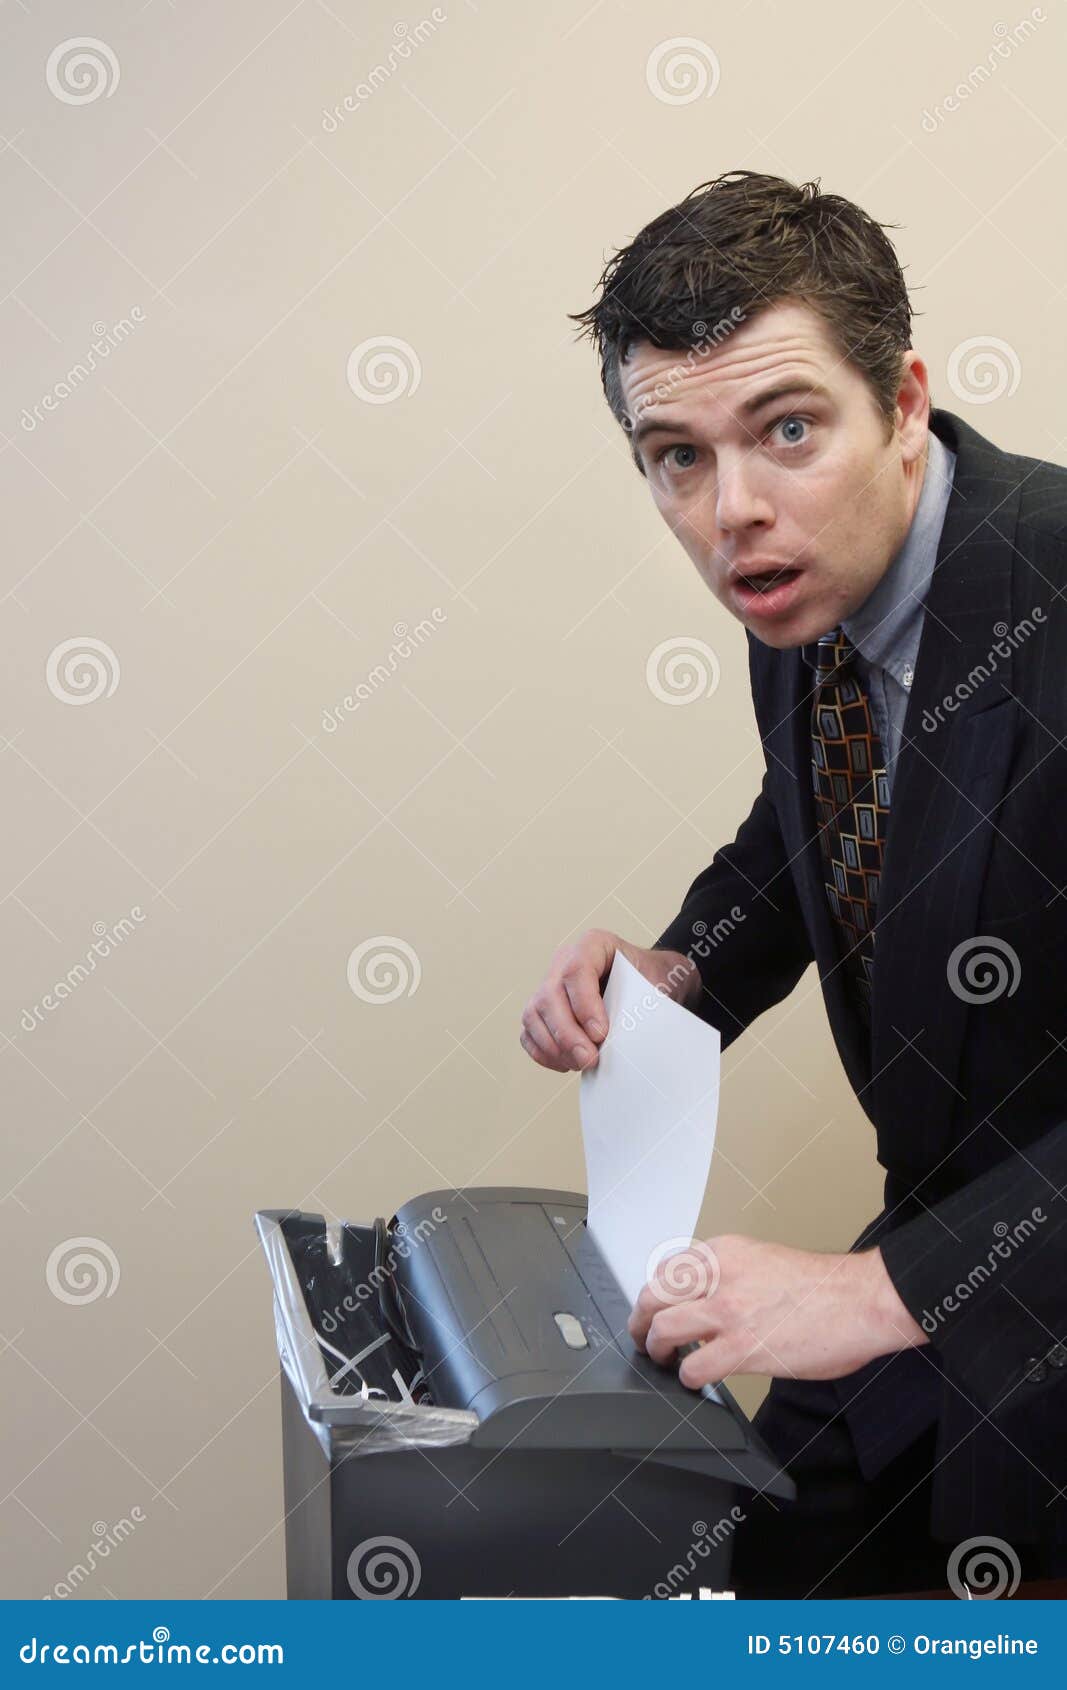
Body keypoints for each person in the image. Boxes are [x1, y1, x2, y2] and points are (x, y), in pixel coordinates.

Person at [520, 171, 1067, 1597]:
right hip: (953, 1234)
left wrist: (875, 1290)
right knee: (747, 1568)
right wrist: (681, 968)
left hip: (1013, 1277)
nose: (732, 514)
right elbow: (817, 810)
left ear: (902, 403)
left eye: (787, 431)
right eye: (676, 457)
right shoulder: (805, 586)